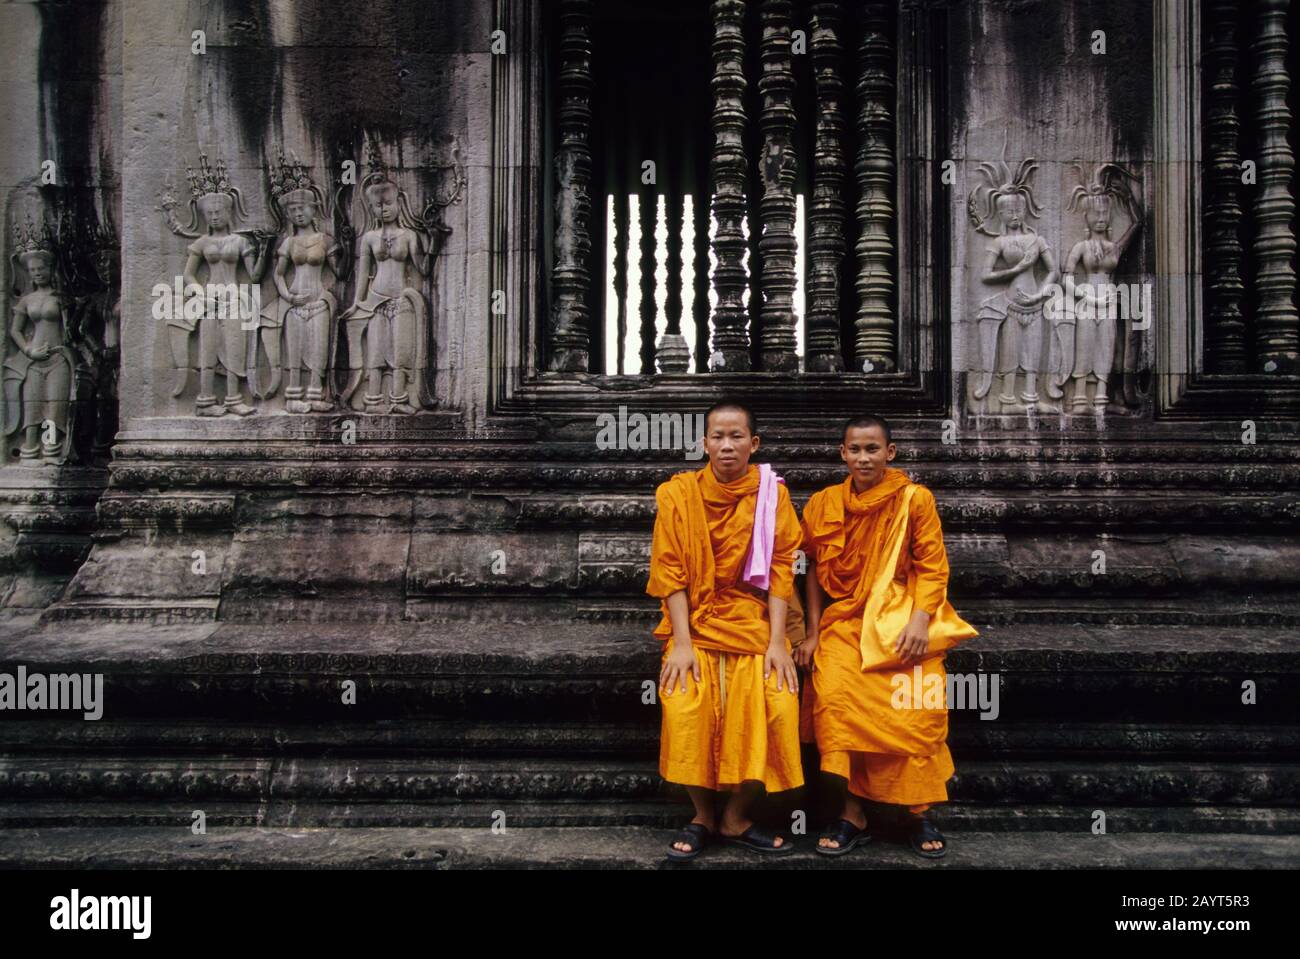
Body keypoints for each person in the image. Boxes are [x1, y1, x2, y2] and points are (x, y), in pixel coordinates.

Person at [796, 415, 976, 858]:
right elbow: (816, 571)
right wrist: (814, 632)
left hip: (899, 620)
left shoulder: (915, 500)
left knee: (916, 700)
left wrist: (919, 621)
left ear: (889, 453)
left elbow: (933, 567)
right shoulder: (822, 504)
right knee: (836, 696)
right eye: (855, 449)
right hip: (844, 623)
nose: (863, 458)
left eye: (872, 449)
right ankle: (851, 812)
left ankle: (917, 811)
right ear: (842, 454)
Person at [647, 401, 803, 860]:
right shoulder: (678, 495)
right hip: (693, 620)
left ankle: (735, 816)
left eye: (737, 437)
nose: (727, 445)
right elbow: (669, 570)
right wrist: (680, 643)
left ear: (753, 444)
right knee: (686, 706)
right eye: (718, 436)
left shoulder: (772, 494)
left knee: (775, 703)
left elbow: (780, 571)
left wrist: (778, 642)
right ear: (704, 443)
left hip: (752, 620)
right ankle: (701, 814)